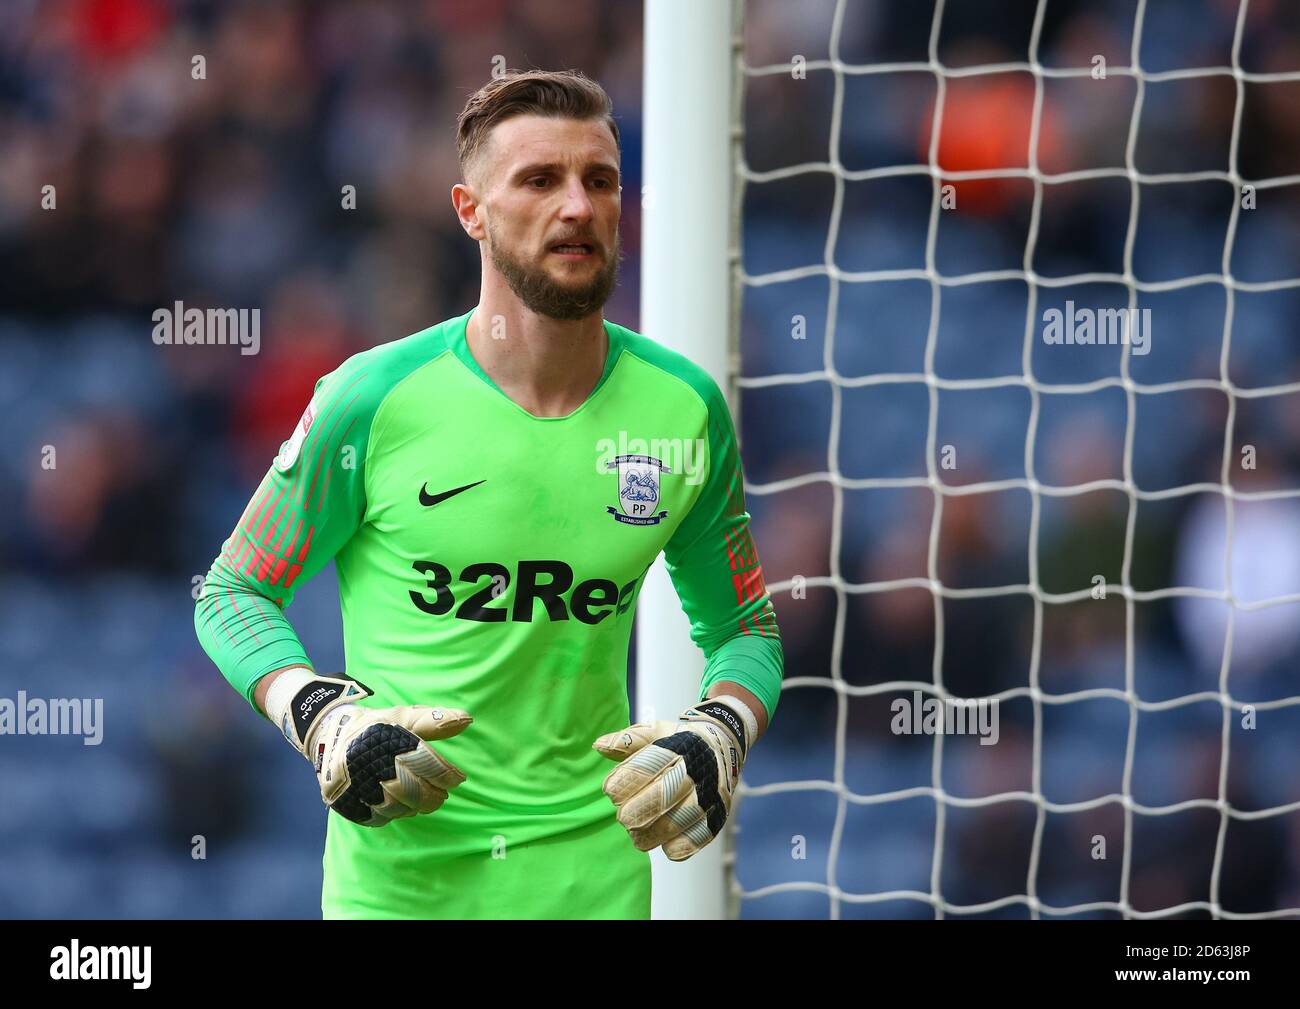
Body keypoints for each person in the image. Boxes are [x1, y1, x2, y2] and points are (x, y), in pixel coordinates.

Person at [194, 69, 783, 919]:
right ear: (471, 211)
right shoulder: (374, 400)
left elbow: (744, 630)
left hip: (595, 890)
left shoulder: (683, 410)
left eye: (600, 180)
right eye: (541, 180)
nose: (578, 206)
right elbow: (233, 591)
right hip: (399, 896)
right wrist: (319, 714)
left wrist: (723, 726)